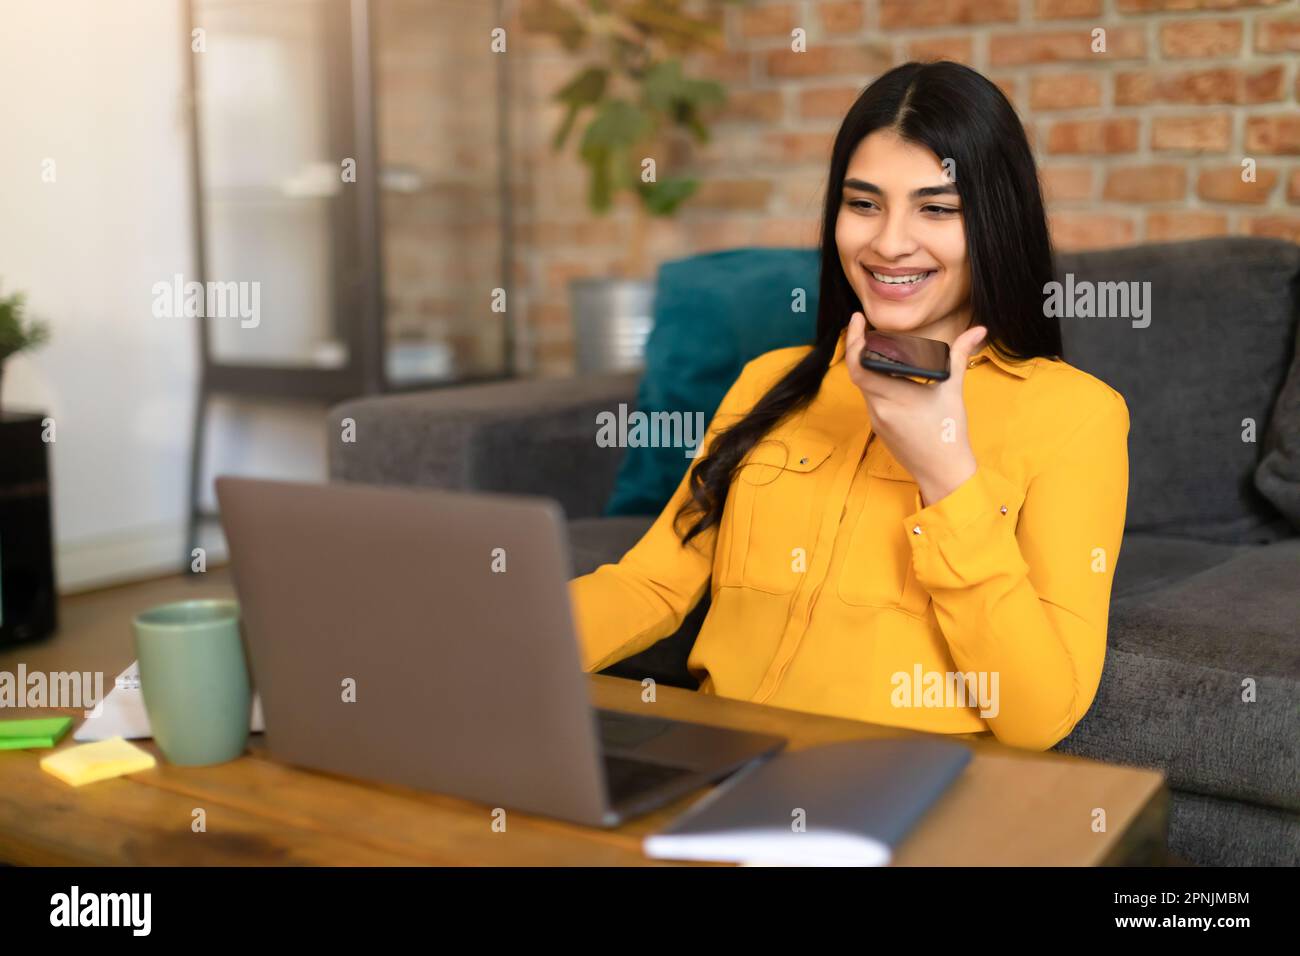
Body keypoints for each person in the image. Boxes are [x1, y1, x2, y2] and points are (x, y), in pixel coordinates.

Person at [568, 61, 1130, 752]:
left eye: (937, 208)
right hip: (721, 767)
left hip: (898, 789)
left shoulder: (1076, 417)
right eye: (864, 204)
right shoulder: (768, 383)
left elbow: (1037, 717)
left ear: (995, 222)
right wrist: (495, 643)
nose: (889, 242)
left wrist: (947, 478)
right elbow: (652, 583)